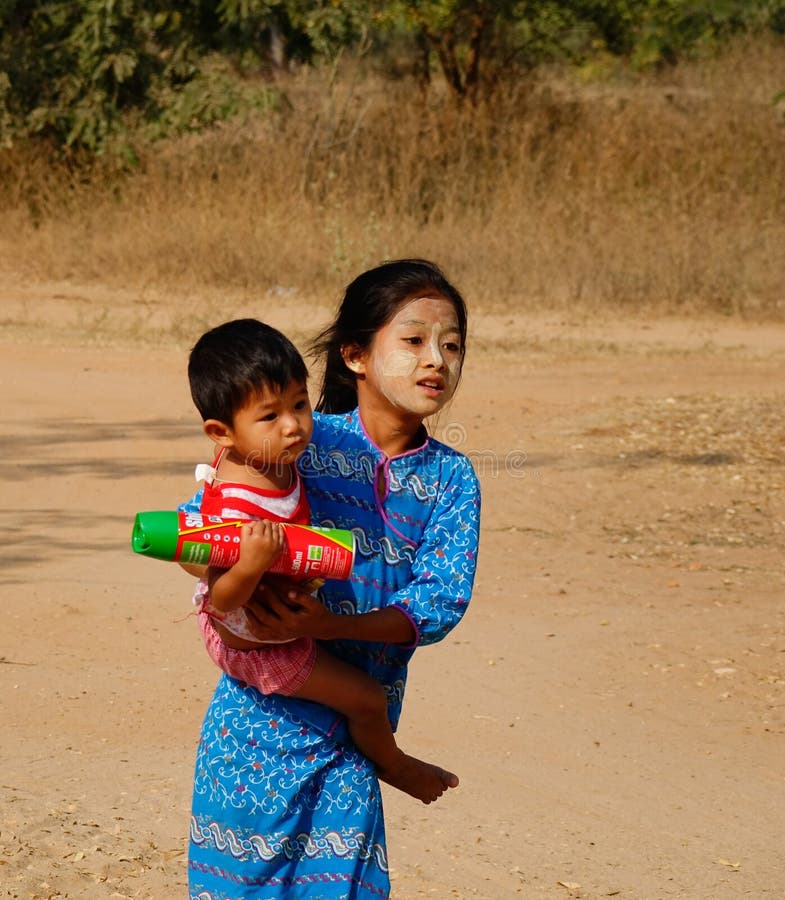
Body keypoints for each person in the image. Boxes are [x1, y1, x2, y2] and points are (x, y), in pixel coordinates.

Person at [183, 259, 481, 899]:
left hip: (353, 737)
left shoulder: (454, 480)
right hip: (256, 725)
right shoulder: (300, 441)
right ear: (355, 356)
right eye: (413, 340)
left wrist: (329, 624)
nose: (437, 359)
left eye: (452, 344)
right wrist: (236, 593)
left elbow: (438, 603)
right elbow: (198, 524)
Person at [187, 318, 455, 804]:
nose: (293, 426)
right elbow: (219, 600)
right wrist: (250, 565)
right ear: (221, 433)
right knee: (367, 700)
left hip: (283, 623)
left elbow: (440, 601)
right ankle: (395, 765)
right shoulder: (238, 502)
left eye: (299, 404)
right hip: (261, 641)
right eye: (270, 416)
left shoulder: (281, 455)